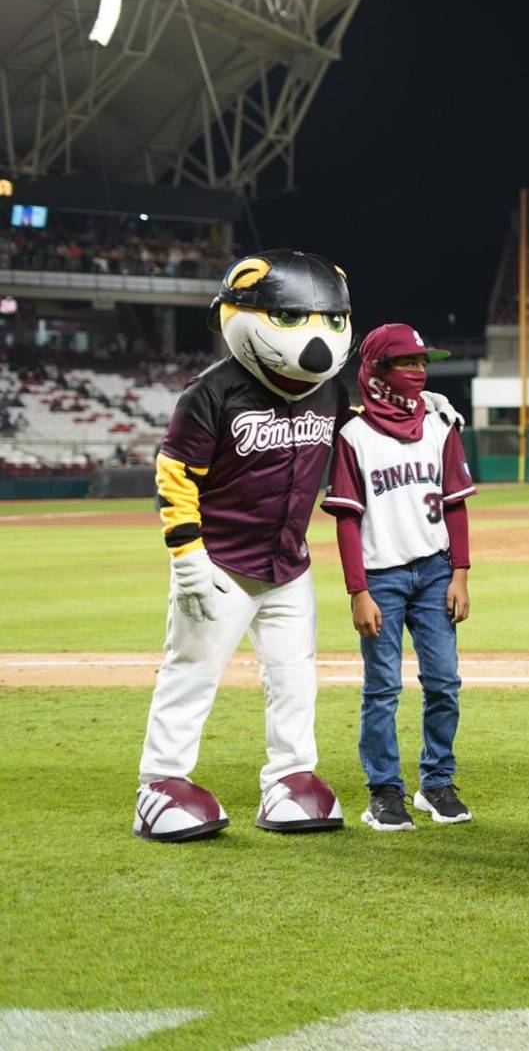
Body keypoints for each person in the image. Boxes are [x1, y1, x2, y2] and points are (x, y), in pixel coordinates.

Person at [136, 250, 356, 841]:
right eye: (290, 318)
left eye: (330, 320)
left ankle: (291, 778)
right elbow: (175, 473)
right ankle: (160, 781)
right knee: (191, 671)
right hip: (221, 563)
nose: (317, 340)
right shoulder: (212, 392)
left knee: (293, 675)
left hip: (289, 563)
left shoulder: (329, 390)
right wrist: (186, 556)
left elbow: (359, 430)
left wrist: (420, 414)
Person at [322, 324, 476, 831]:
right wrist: (357, 590)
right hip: (381, 577)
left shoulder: (440, 424)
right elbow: (347, 520)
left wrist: (460, 574)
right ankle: (384, 791)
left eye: (422, 363)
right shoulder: (353, 435)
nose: (419, 372)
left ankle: (436, 783)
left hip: (434, 573)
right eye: (407, 363)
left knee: (444, 683)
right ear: (378, 370)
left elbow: (454, 506)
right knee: (382, 688)